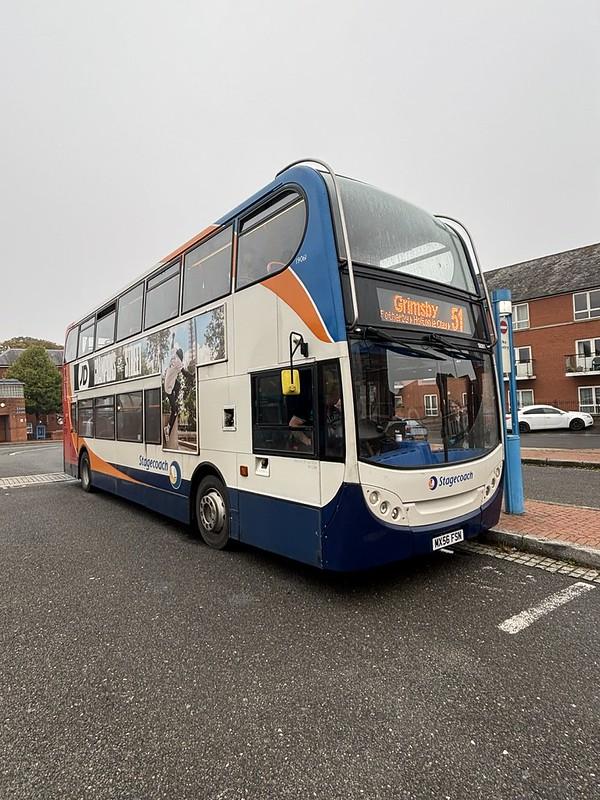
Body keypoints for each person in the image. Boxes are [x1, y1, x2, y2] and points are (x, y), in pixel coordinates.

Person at [163, 340, 193, 445]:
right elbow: (185, 373)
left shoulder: (173, 355)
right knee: (175, 411)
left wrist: (174, 337)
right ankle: (167, 429)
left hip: (169, 381)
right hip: (169, 388)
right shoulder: (178, 361)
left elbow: (171, 346)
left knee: (179, 384)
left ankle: (174, 402)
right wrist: (193, 376)